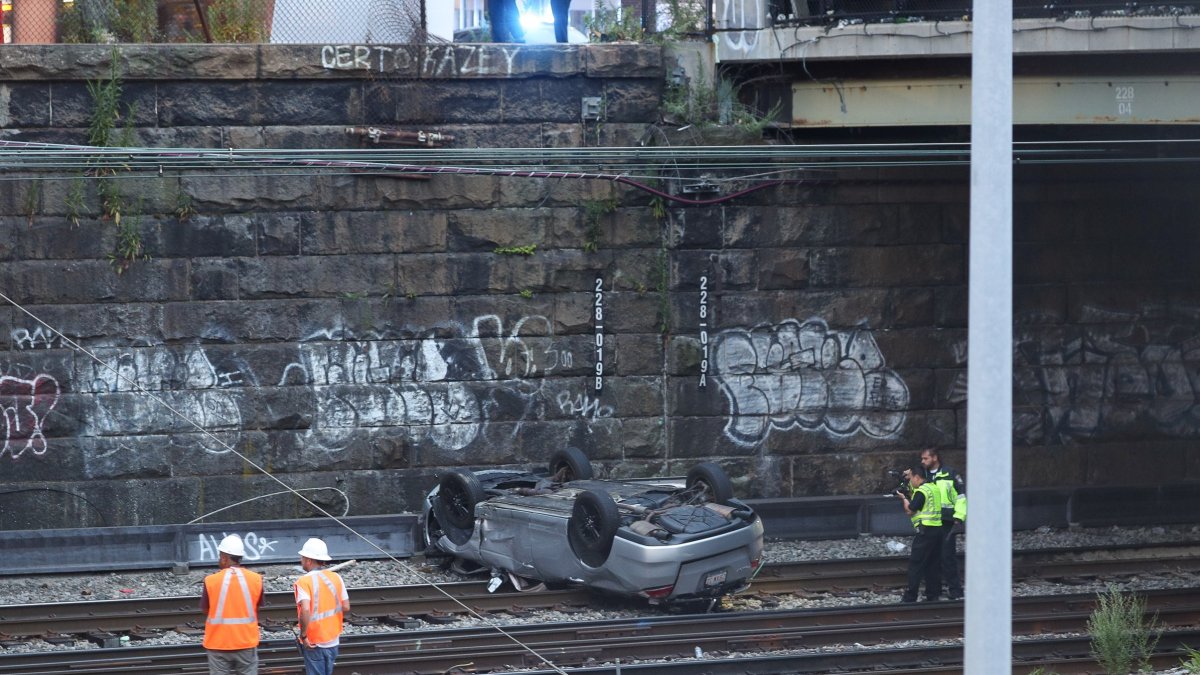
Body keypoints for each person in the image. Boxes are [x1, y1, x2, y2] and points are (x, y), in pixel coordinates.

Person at [200, 534, 264, 675]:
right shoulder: (256, 579)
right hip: (246, 642)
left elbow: (206, 609)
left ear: (224, 557)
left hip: (218, 643)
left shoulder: (211, 581)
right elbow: (256, 607)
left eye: (220, 556)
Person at [294, 538, 350, 675]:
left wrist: (304, 635)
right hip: (333, 639)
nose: (301, 560)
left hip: (314, 641)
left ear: (308, 560)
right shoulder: (336, 577)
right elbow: (346, 606)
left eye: (302, 557)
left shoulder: (303, 582)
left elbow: (306, 610)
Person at [921, 447, 967, 600]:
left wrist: (959, 517)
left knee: (948, 557)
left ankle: (955, 591)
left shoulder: (950, 474)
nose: (923, 461)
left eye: (925, 458)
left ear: (935, 458)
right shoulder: (922, 475)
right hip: (929, 522)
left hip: (947, 521)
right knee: (930, 557)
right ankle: (933, 592)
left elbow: (961, 496)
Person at [896, 465, 943, 602]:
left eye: (911, 479)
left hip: (925, 531)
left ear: (917, 478)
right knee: (933, 564)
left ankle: (910, 596)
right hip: (938, 530)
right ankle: (933, 595)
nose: (911, 483)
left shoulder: (922, 491)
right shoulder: (934, 488)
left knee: (916, 564)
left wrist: (904, 498)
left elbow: (911, 510)